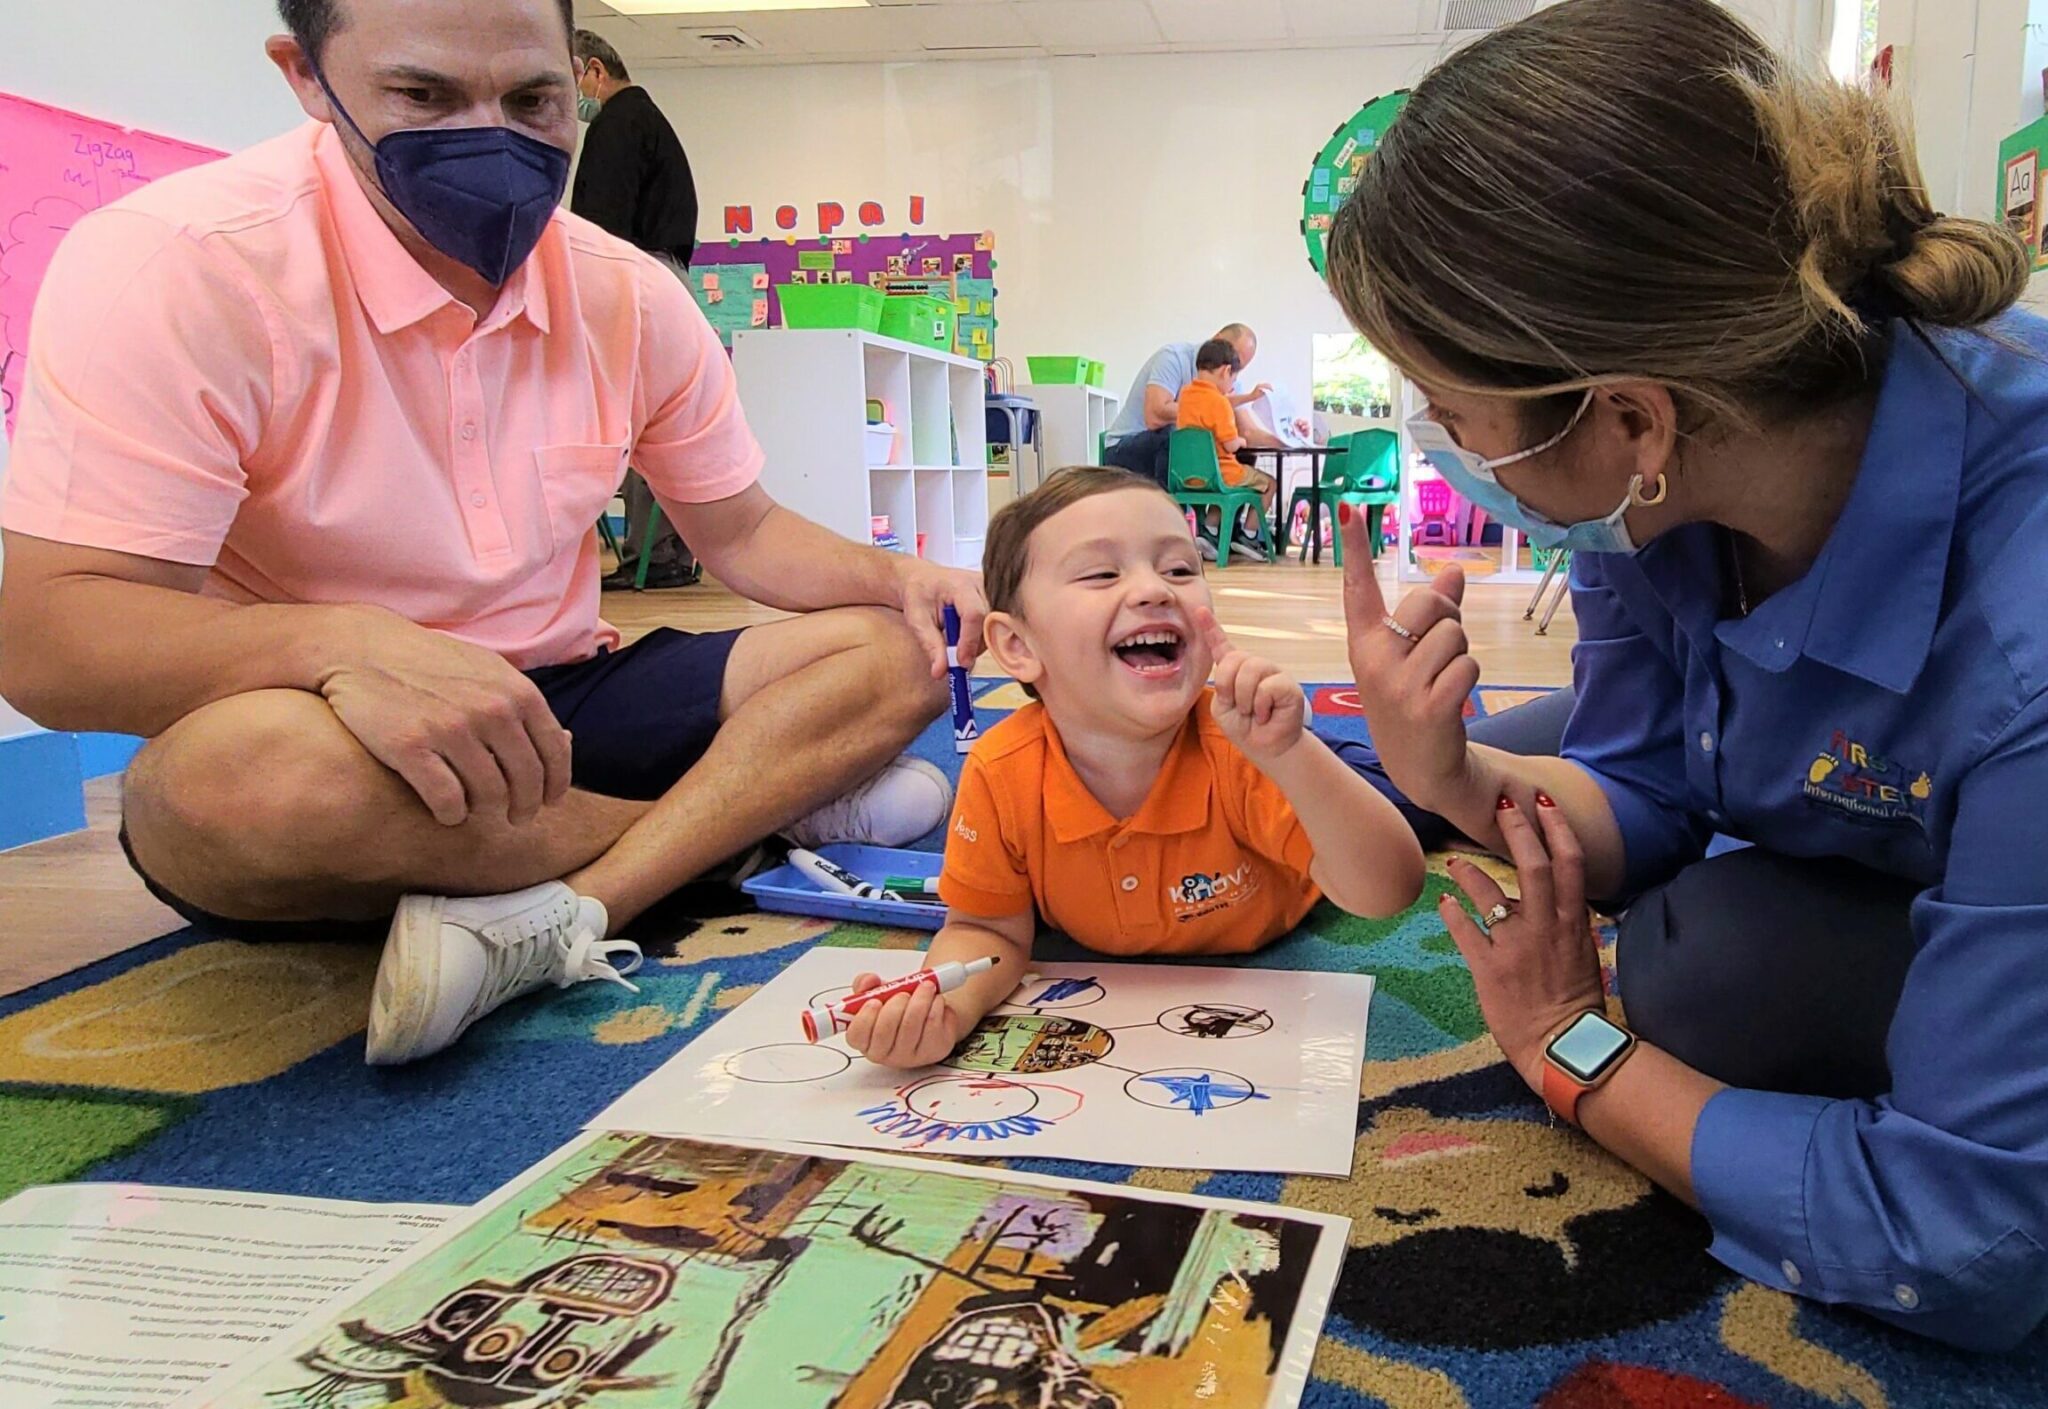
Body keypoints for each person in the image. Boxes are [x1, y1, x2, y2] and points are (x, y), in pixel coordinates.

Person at [0, 0, 985, 1067]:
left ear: (579, 80)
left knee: (900, 645)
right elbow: (50, 639)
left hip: (562, 699)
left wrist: (902, 575)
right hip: (334, 728)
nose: (493, 138)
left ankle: (586, 900)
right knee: (222, 790)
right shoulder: (179, 267)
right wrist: (342, 646)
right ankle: (741, 829)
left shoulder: (631, 295)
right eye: (423, 96)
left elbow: (740, 529)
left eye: (532, 99)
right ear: (304, 76)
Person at [1324, 0, 2048, 1350]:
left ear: (1630, 418)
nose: (1444, 445)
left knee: (1700, 974)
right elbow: (1653, 788)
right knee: (1694, 940)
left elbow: (1965, 1237)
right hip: (1878, 811)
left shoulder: (2023, 641)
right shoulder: (1666, 479)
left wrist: (1569, 1049)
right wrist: (1450, 771)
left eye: (1451, 409)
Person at [842, 468, 1423, 1067]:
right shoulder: (1002, 770)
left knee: (1433, 788)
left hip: (1311, 769)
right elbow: (986, 932)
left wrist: (1293, 754)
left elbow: (1388, 887)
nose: (1156, 590)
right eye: (1101, 573)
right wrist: (944, 1007)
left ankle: (1467, 759)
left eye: (1179, 569)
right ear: (1017, 647)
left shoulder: (1252, 750)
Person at [569, 28, 701, 592]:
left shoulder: (615, 124)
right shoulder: (648, 121)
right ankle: (669, 550)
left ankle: (658, 554)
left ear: (594, 71)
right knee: (660, 416)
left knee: (635, 420)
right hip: (664, 276)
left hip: (633, 276)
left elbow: (598, 232)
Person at [1102, 323, 1272, 486]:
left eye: (1238, 367)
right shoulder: (1173, 358)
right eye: (1231, 359)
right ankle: (1174, 512)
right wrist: (1211, 410)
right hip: (1126, 445)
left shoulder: (1229, 381)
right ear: (1216, 340)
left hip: (1176, 449)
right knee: (1176, 437)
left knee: (1241, 451)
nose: (1231, 369)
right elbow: (1153, 416)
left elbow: (1247, 431)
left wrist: (1286, 441)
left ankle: (1223, 516)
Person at [1175, 339, 1277, 563]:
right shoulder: (1219, 404)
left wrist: (1249, 397)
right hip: (1223, 474)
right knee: (1268, 483)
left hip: (1189, 475)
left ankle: (1209, 533)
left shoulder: (1186, 396)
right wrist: (1240, 440)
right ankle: (1248, 536)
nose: (1232, 384)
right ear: (1226, 370)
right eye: (1234, 378)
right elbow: (1230, 444)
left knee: (1224, 490)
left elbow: (1218, 402)